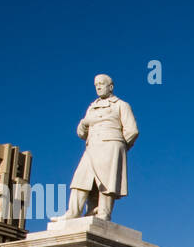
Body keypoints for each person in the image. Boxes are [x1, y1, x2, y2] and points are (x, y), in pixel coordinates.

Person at [52, 73, 138, 222]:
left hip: (111, 146)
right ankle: (73, 212)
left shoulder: (121, 105)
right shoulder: (92, 107)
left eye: (101, 83)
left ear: (110, 87)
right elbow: (80, 133)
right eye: (96, 84)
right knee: (81, 179)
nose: (98, 86)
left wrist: (119, 146)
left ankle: (103, 213)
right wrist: (84, 123)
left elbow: (132, 130)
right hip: (92, 147)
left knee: (106, 182)